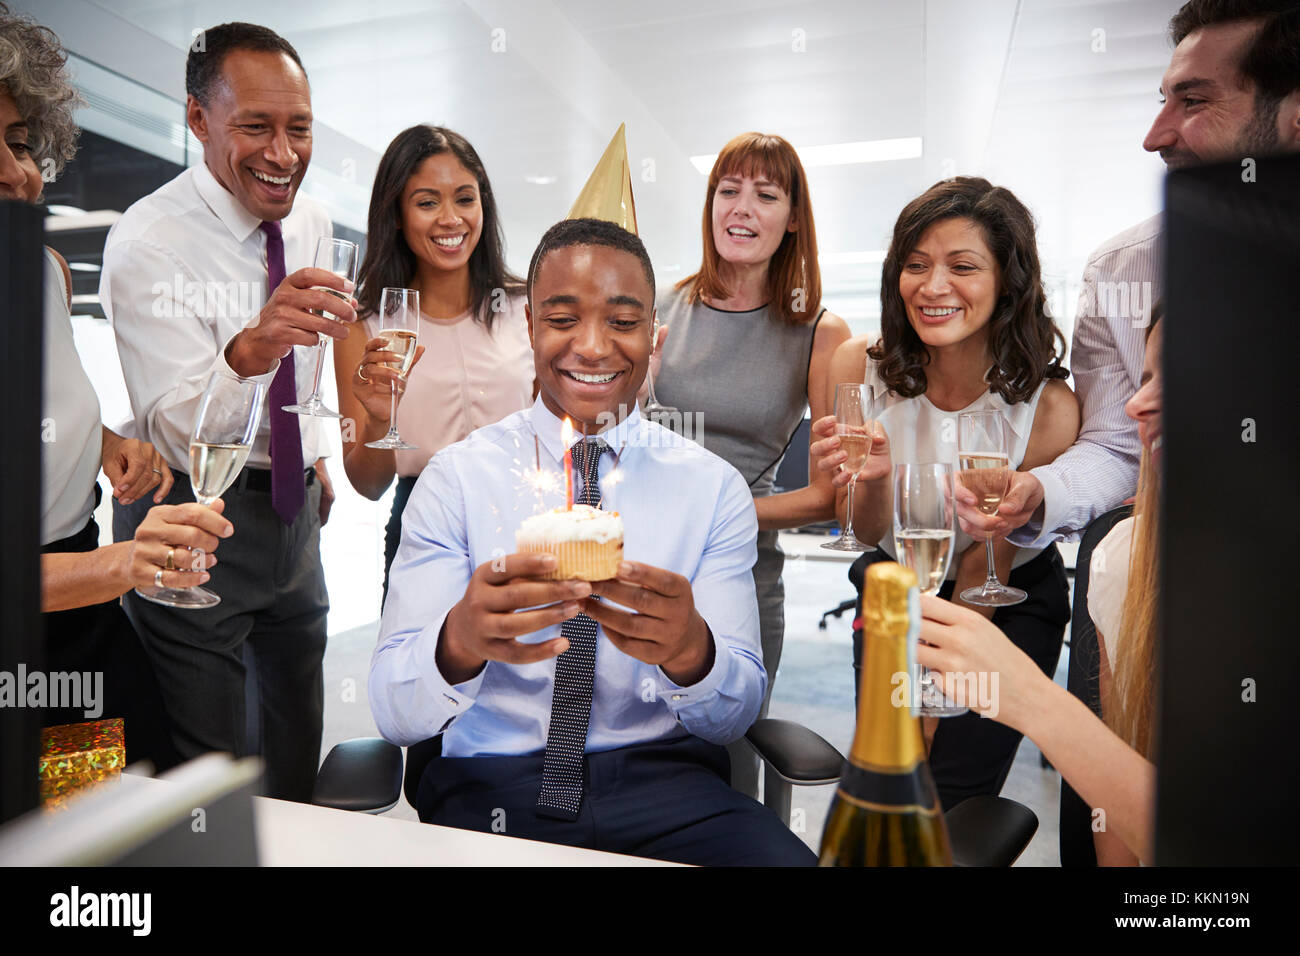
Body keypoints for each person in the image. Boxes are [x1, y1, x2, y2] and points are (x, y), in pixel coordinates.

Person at [370, 217, 815, 866]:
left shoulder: (711, 491)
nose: (593, 346)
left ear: (655, 340)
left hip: (669, 788)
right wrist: (458, 641)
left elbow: (733, 716)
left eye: (623, 321)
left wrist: (693, 651)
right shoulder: (456, 480)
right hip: (493, 789)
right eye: (563, 318)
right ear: (529, 329)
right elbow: (393, 712)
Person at [101, 22, 355, 802]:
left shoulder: (308, 219)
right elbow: (179, 428)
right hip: (189, 516)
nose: (283, 153)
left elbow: (308, 365)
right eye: (255, 127)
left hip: (291, 516)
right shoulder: (149, 241)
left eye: (299, 128)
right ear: (198, 120)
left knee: (292, 745)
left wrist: (314, 451)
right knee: (209, 775)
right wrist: (248, 351)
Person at [962, 0, 1300, 549]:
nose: (1155, 135)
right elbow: (1120, 444)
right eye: (1164, 101)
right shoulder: (1121, 268)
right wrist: (1042, 489)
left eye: (1193, 101)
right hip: (1184, 562)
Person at [1, 2, 231, 768]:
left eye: (17, 143)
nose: (13, 172)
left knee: (128, 834)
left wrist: (104, 444)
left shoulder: (45, 273)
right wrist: (125, 563)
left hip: (84, 625)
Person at [813, 177, 1080, 810]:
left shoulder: (1049, 405)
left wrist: (932, 701)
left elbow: (988, 556)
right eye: (915, 265)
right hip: (894, 586)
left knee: (951, 793)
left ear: (1008, 282)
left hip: (1002, 597)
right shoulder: (859, 367)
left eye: (963, 267)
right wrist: (871, 481)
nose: (933, 288)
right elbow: (861, 522)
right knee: (889, 780)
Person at [918, 310, 1167, 865]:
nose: (1135, 405)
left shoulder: (1047, 403)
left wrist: (1030, 698)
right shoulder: (1124, 563)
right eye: (1146, 378)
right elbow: (1119, 850)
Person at [653, 131, 850, 795]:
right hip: (647, 556)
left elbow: (830, 495)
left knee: (724, 758)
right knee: (630, 755)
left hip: (741, 568)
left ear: (792, 217)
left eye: (765, 194)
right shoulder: (659, 307)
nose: (742, 207)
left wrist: (721, 514)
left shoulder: (819, 330)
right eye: (728, 191)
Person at [333, 125, 532, 603]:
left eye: (465, 199)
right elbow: (367, 484)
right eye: (426, 203)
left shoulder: (527, 307)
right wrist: (381, 418)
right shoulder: (364, 326)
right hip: (423, 527)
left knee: (537, 670)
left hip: (524, 519)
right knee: (425, 675)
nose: (451, 219)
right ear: (397, 215)